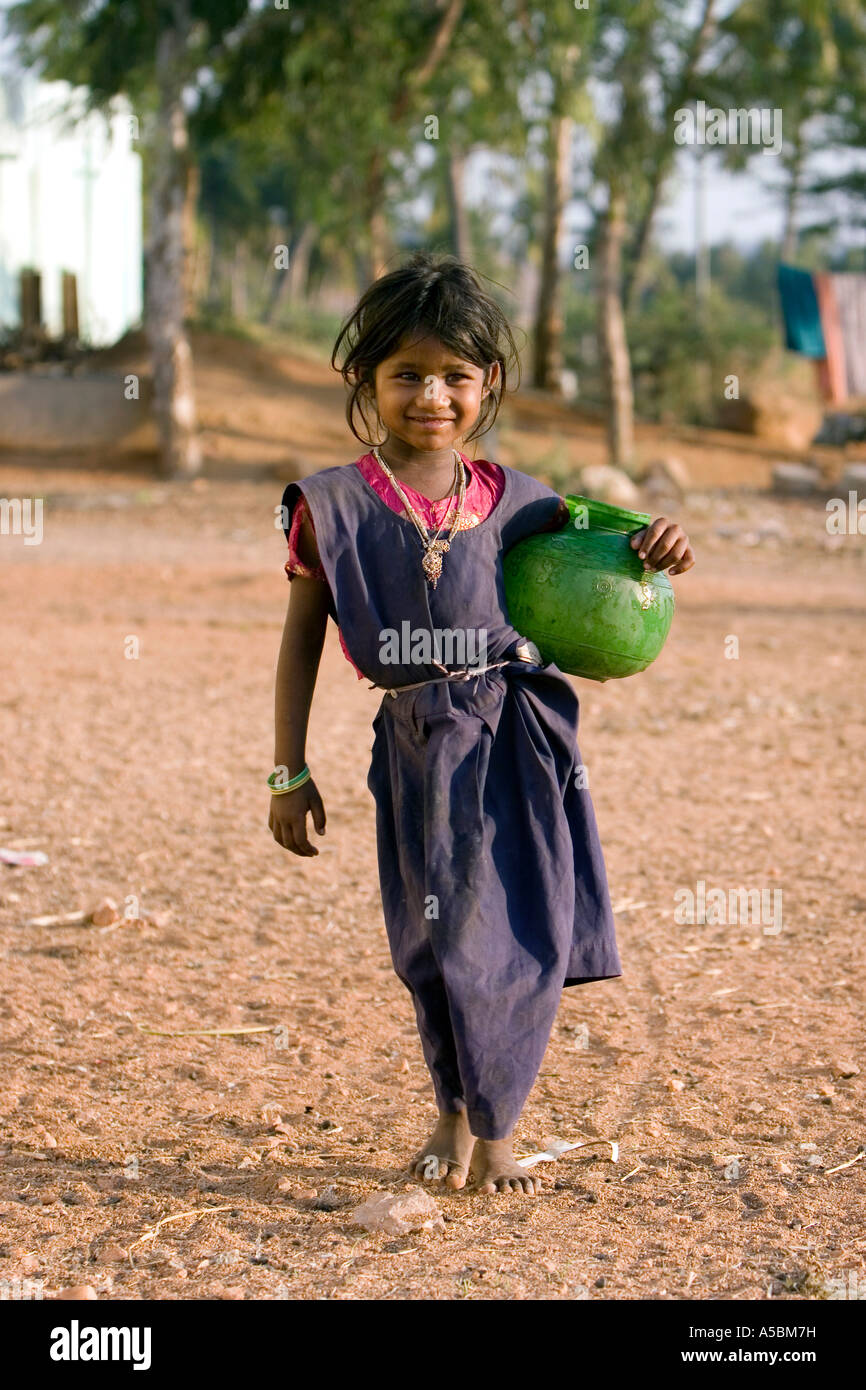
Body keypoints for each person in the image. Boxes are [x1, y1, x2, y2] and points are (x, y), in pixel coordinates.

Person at [270, 253, 695, 1195]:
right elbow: (301, 641)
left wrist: (658, 543)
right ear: (367, 380)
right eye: (407, 374)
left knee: (509, 934)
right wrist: (287, 770)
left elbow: (625, 544)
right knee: (430, 942)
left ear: (488, 383)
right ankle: (454, 1105)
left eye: (455, 375)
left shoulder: (525, 501)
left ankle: (496, 1124)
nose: (431, 395)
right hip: (417, 743)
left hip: (516, 739)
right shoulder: (331, 508)